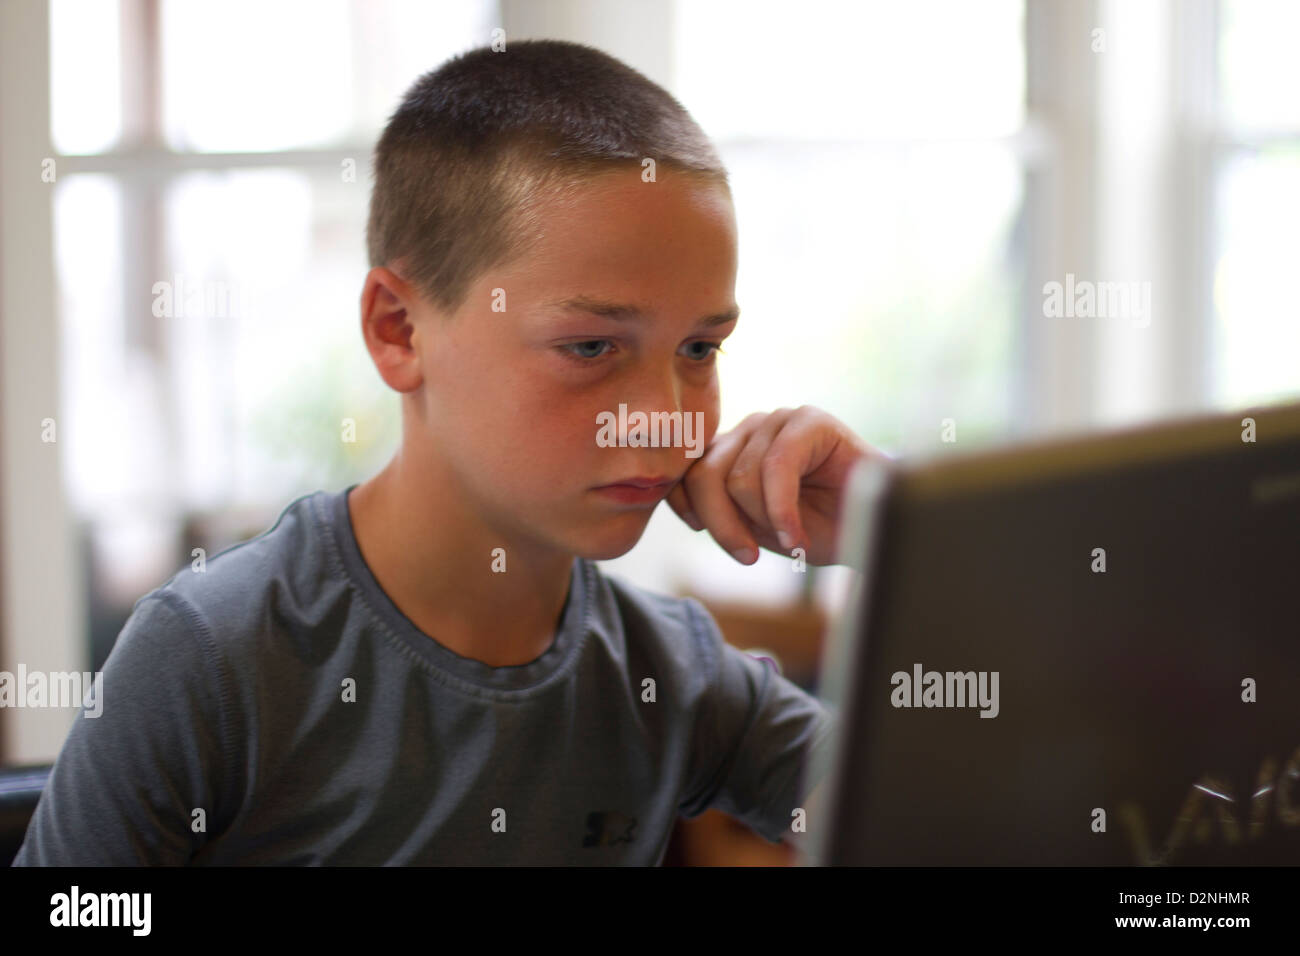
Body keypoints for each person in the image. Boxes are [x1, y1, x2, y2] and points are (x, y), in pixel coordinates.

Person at [14, 38, 874, 865]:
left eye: (698, 349)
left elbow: (969, 825)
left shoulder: (668, 674)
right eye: (590, 348)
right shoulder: (213, 657)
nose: (664, 418)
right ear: (399, 330)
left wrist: (886, 529)